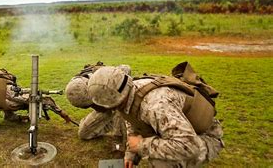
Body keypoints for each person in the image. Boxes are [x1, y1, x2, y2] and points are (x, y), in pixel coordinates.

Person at [87, 64, 224, 167]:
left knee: (159, 161)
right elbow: (134, 124)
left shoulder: (155, 105)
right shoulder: (129, 92)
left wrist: (141, 145)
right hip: (178, 133)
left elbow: (189, 146)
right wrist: (130, 154)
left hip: (204, 138)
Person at [65, 63, 129, 158]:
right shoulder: (76, 86)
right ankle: (111, 122)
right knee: (84, 134)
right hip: (103, 102)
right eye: (88, 106)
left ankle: (119, 142)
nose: (92, 108)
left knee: (118, 108)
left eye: (92, 104)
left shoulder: (105, 78)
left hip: (114, 100)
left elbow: (126, 68)